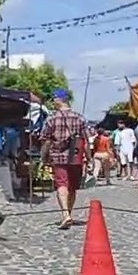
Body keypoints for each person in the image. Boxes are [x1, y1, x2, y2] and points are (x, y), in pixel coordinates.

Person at [39, 89, 86, 229]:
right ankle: (68, 214)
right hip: (76, 157)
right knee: (72, 187)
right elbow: (86, 140)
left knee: (62, 185)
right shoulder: (80, 117)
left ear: (60, 99)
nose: (53, 101)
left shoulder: (51, 118)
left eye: (54, 98)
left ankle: (65, 215)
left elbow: (46, 140)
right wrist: (88, 158)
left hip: (58, 157)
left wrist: (43, 157)